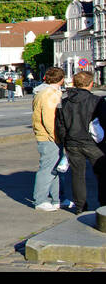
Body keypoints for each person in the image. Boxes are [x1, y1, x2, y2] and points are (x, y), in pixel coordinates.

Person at [55, 70, 103, 213]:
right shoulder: (97, 101)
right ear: (91, 84)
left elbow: (60, 124)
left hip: (72, 143)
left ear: (74, 83)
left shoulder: (63, 102)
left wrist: (65, 141)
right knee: (102, 174)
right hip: (94, 144)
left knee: (77, 175)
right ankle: (103, 204)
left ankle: (80, 206)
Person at [31, 68, 65, 211]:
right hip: (49, 137)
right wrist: (57, 137)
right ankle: (40, 200)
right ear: (61, 79)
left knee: (53, 169)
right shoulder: (50, 95)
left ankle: (56, 199)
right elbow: (50, 120)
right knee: (47, 169)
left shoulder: (42, 92)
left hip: (46, 136)